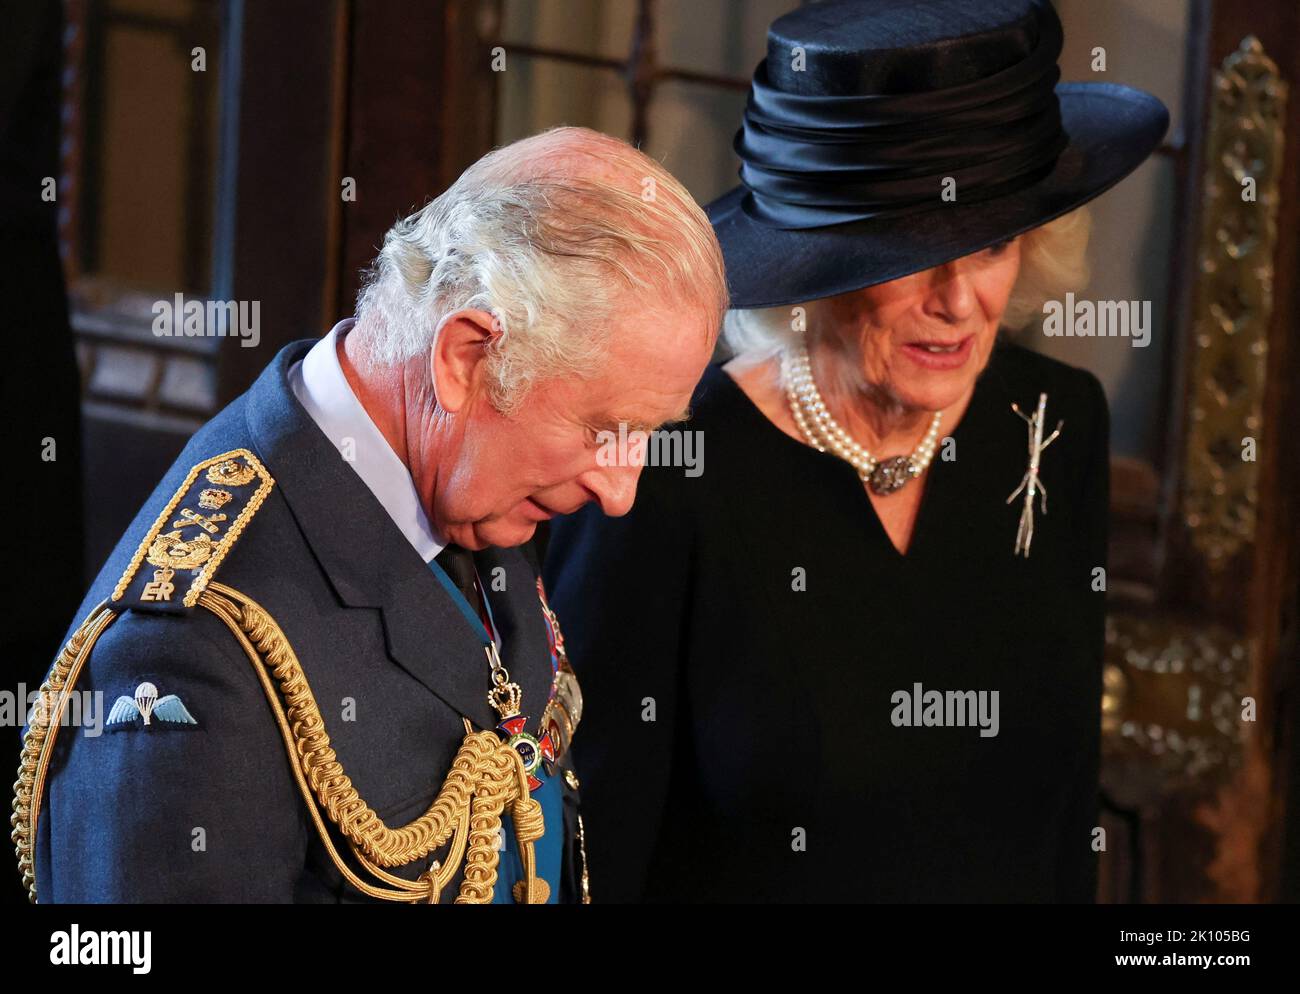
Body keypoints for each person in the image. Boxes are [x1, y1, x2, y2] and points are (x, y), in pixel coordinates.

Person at [544, 0, 1169, 902]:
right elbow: (598, 847)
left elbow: (1063, 812)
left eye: (991, 243)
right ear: (819, 262)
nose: (957, 302)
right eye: (915, 250)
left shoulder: (1054, 424)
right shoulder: (668, 475)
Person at [15, 126, 725, 903]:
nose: (620, 493)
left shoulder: (470, 487)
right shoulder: (191, 646)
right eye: (602, 432)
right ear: (464, 357)